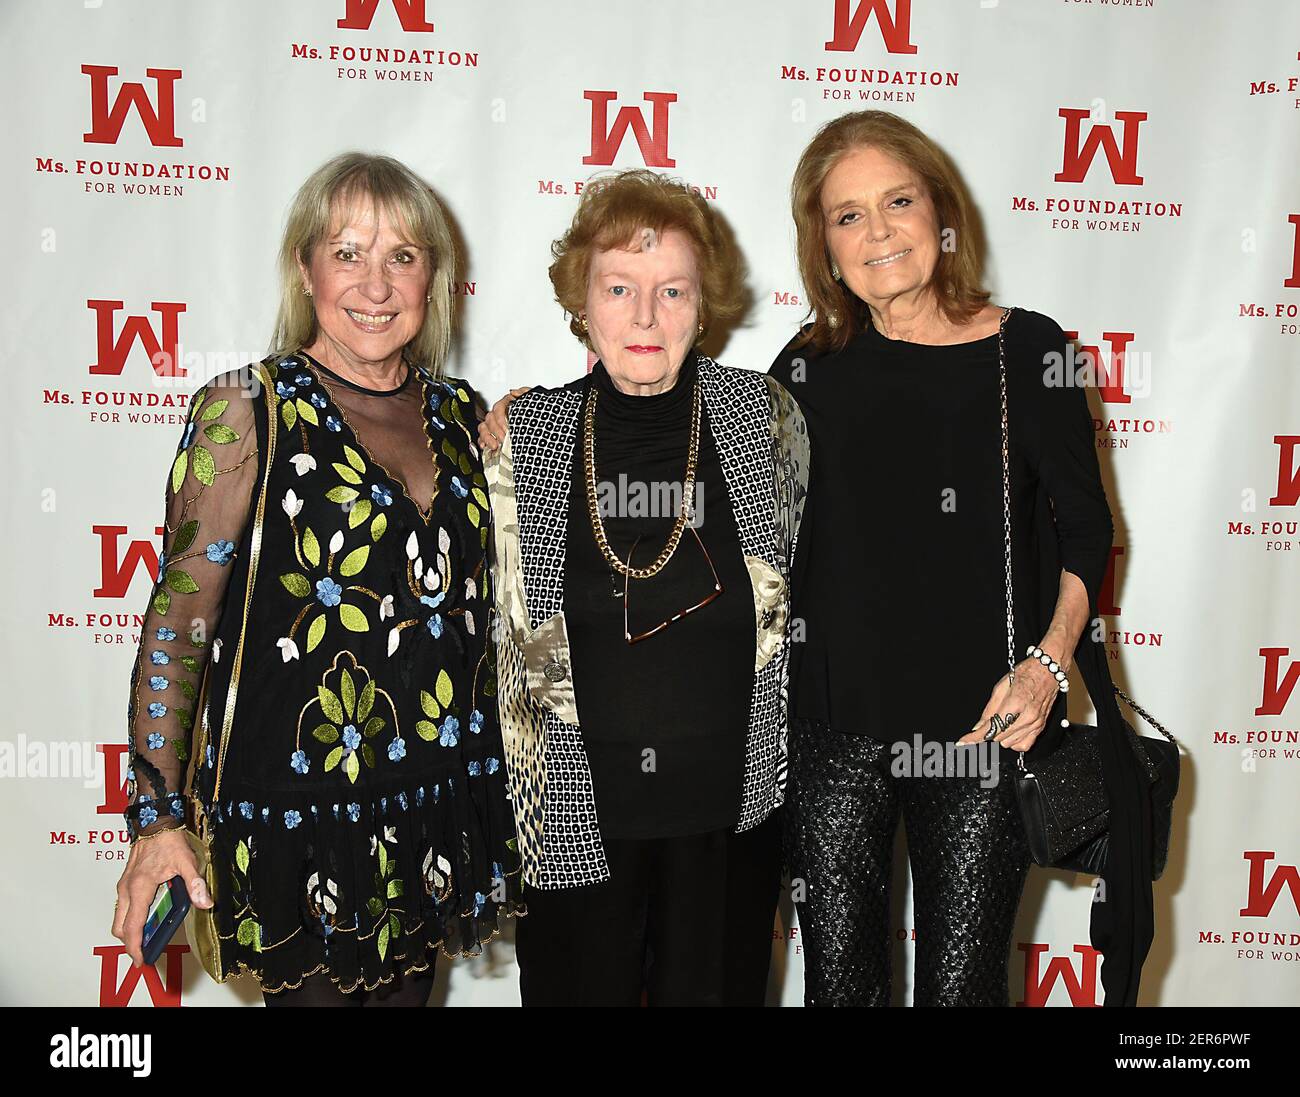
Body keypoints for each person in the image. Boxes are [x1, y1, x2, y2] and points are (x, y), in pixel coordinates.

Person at [112, 152, 523, 1006]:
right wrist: (157, 819)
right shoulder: (244, 408)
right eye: (348, 253)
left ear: (432, 279)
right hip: (294, 818)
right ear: (305, 267)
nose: (375, 284)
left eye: (402, 257)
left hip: (428, 803)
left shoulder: (457, 414)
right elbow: (179, 623)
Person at [767, 110, 1153, 1006]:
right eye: (847, 215)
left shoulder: (1032, 349)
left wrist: (1048, 667)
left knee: (963, 990)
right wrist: (545, 412)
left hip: (982, 731)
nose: (878, 232)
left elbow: (1087, 530)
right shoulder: (809, 363)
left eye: (897, 201)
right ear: (823, 247)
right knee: (841, 991)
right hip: (831, 735)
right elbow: (707, 456)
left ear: (941, 215)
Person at [478, 169, 809, 1005]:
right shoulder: (527, 434)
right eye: (619, 287)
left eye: (673, 290)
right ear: (581, 302)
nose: (646, 315)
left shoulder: (764, 421)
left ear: (705, 305)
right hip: (573, 819)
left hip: (730, 824)